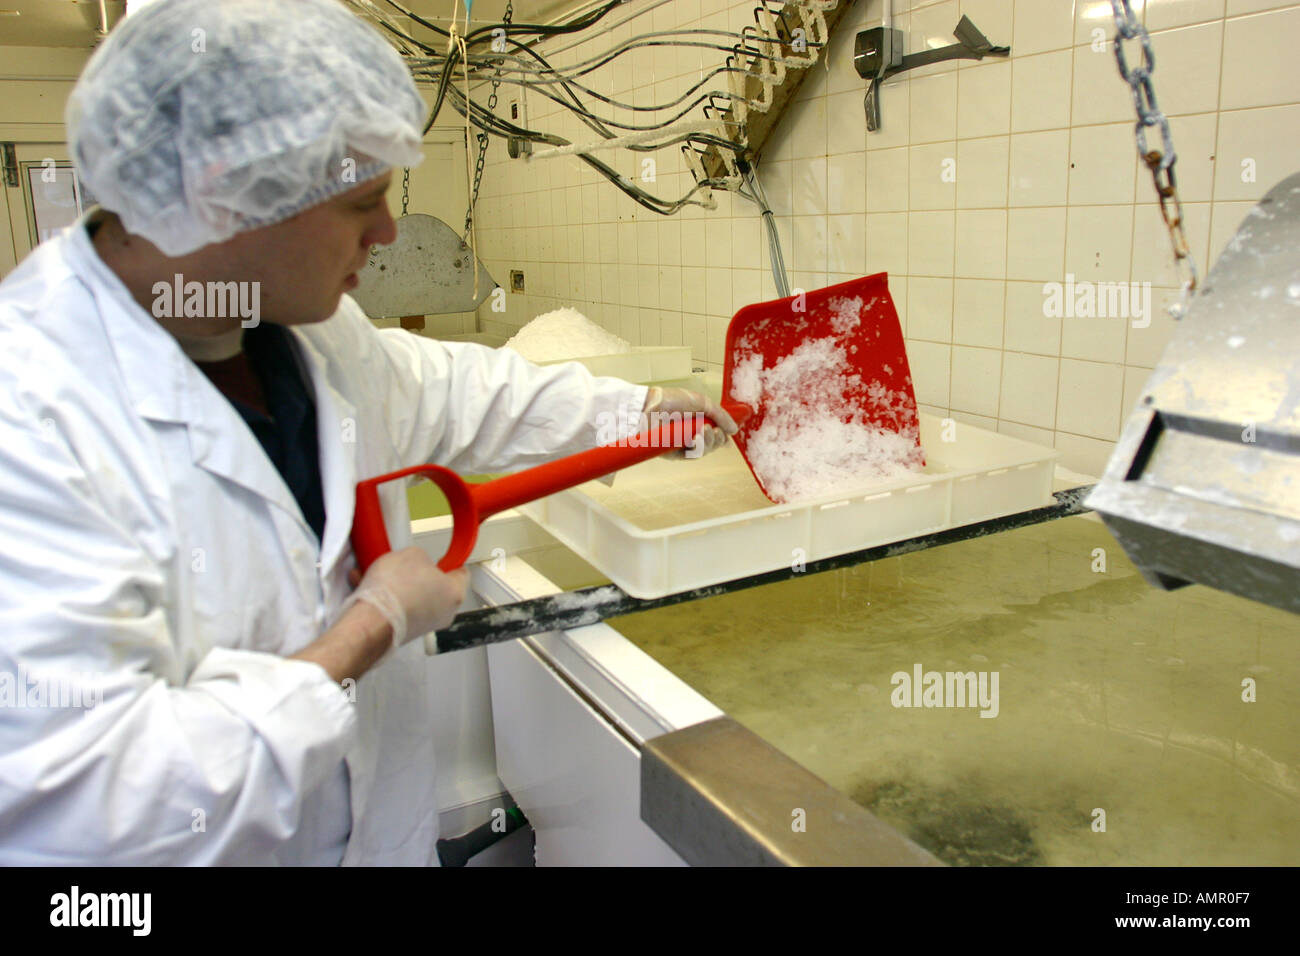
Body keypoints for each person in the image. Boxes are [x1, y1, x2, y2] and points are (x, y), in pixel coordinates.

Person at [0, 0, 737, 865]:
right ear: (228, 200)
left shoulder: (299, 327)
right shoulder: (34, 419)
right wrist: (370, 629)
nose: (389, 234)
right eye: (362, 201)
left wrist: (633, 412)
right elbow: (91, 803)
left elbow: (453, 389)